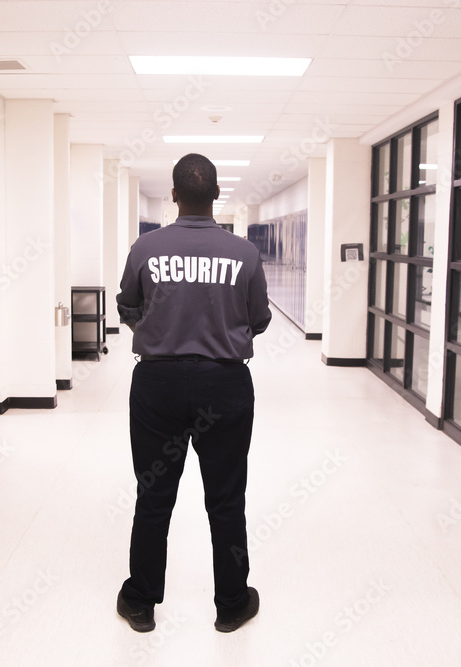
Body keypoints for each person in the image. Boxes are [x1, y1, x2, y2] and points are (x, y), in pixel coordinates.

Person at [115, 153, 272, 634]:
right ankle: (231, 603)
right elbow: (259, 319)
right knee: (226, 499)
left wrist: (162, 329)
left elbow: (127, 307)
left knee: (153, 494)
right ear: (217, 195)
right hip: (225, 386)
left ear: (175, 195)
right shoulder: (244, 254)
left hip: (157, 385)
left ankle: (141, 602)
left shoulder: (146, 248)